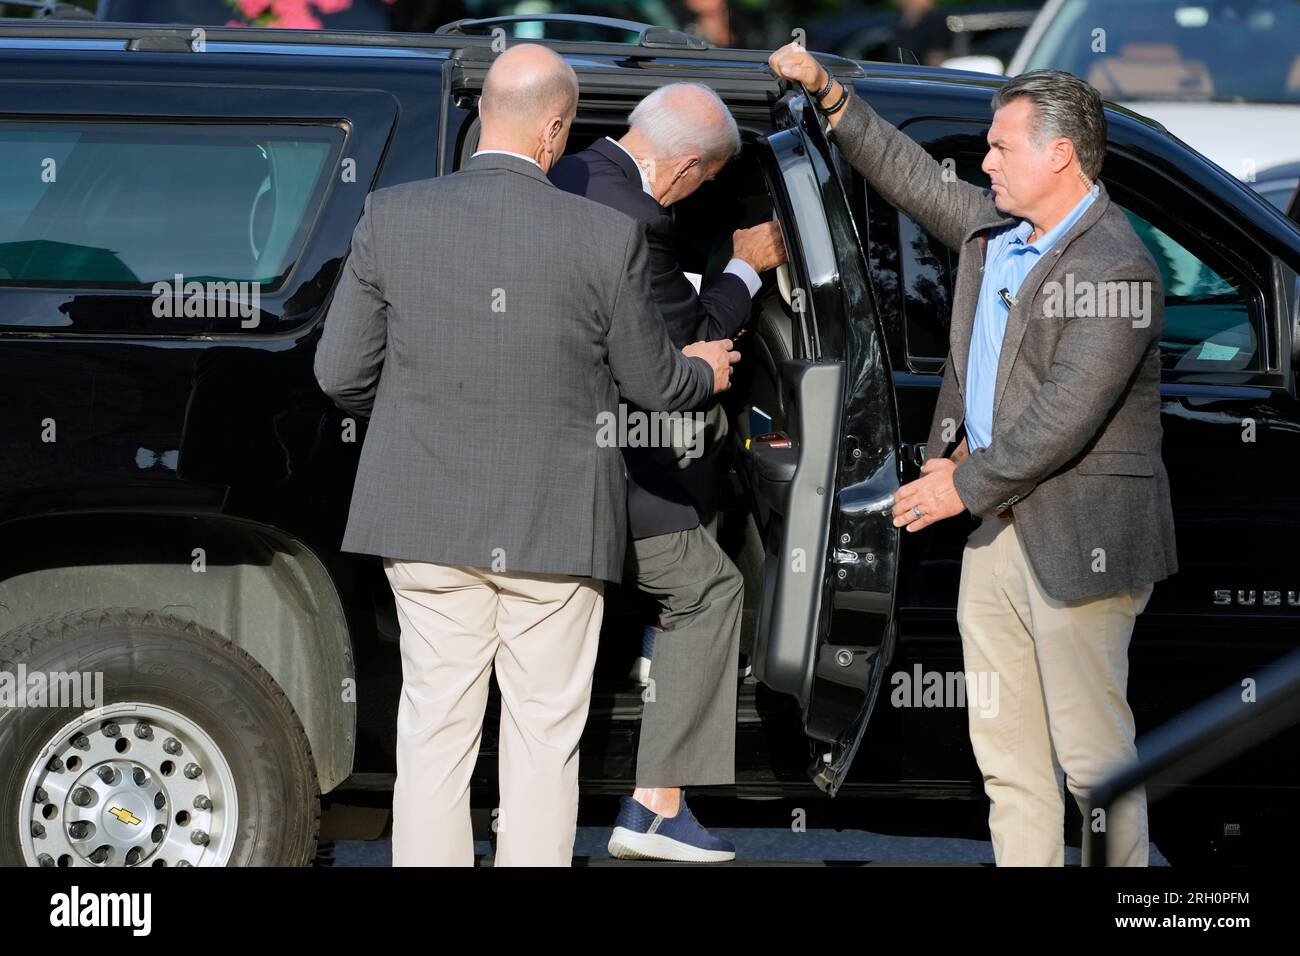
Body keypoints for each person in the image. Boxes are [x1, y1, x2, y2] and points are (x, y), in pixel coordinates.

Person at [314, 43, 739, 866]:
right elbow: (654, 386)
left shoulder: (391, 217)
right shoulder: (603, 236)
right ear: (555, 132)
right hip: (556, 528)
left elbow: (339, 374)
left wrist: (419, 419)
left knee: (435, 726)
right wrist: (702, 372)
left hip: (424, 519)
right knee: (543, 737)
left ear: (478, 120)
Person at [768, 43, 1178, 866]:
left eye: (999, 146)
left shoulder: (1118, 265)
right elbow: (914, 179)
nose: (982, 159)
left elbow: (1068, 410)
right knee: (1007, 757)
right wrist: (832, 96)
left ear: (1059, 155)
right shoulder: (995, 233)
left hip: (1078, 538)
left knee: (1093, 760)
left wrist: (961, 484)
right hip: (996, 533)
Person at [551, 82, 786, 862]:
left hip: (553, 458)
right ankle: (656, 805)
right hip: (608, 464)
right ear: (685, 168)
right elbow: (683, 348)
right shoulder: (640, 218)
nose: (699, 195)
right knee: (712, 589)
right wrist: (746, 270)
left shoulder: (570, 173)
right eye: (707, 182)